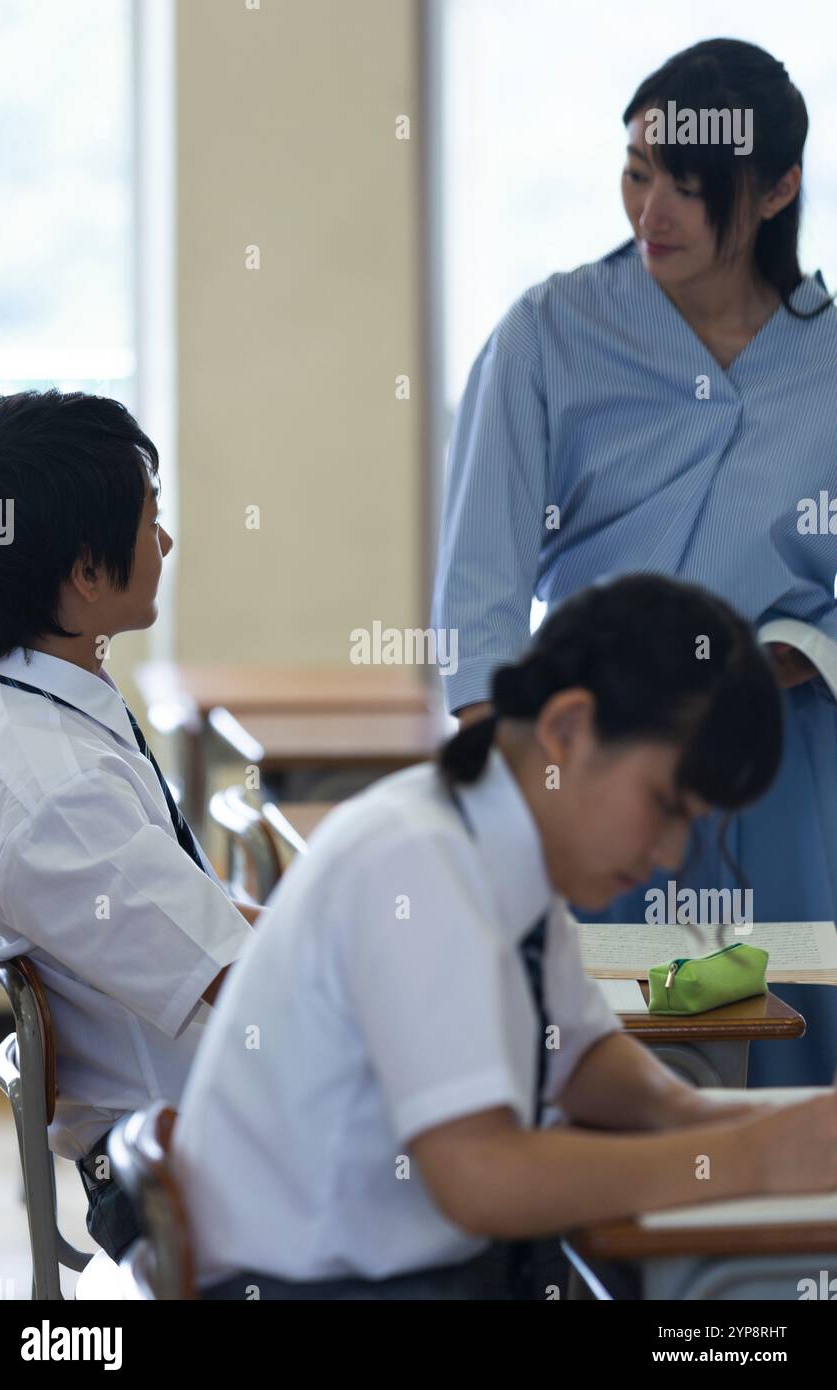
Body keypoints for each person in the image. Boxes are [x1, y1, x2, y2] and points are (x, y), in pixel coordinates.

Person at [174, 574, 837, 1301]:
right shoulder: (417, 863)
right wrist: (745, 1158)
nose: (672, 855)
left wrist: (696, 1113)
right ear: (568, 730)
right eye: (664, 805)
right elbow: (480, 1179)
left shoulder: (494, 845)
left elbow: (581, 1054)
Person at [431, 38, 837, 1086]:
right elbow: (474, 605)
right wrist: (512, 808)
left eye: (689, 189)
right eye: (635, 172)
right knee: (605, 1067)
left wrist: (799, 651)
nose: (650, 212)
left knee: (787, 1071)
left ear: (778, 188)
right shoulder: (546, 337)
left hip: (788, 774)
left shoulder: (827, 358)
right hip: (599, 767)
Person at [0, 389, 256, 1260]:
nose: (164, 544)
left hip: (203, 1132)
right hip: (190, 1183)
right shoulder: (59, 794)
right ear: (88, 573)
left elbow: (213, 930)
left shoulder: (38, 707)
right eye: (149, 521)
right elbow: (245, 983)